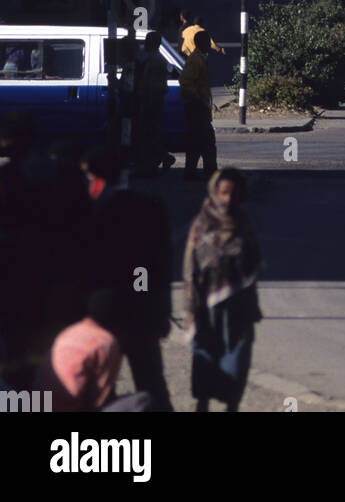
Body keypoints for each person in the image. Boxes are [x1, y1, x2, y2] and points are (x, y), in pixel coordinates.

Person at [80, 149, 174, 411]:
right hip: (143, 310)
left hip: (103, 312)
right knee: (151, 380)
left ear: (94, 178)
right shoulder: (150, 206)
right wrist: (162, 312)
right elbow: (161, 265)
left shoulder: (91, 211)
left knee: (99, 385)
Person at [183, 168, 262, 413]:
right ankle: (202, 405)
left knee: (238, 358)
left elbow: (252, 262)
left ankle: (232, 405)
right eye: (224, 192)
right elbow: (190, 266)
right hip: (207, 305)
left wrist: (253, 302)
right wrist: (190, 306)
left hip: (239, 305)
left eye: (233, 193)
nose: (228, 198)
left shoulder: (242, 221)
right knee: (206, 355)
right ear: (215, 192)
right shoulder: (203, 222)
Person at [134, 30, 175, 176]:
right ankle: (160, 158)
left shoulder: (155, 61)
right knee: (150, 133)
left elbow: (152, 84)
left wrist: (145, 97)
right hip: (153, 100)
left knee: (149, 133)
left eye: (147, 40)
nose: (145, 43)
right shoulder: (153, 59)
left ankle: (157, 161)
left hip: (153, 100)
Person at [179, 31, 217, 180]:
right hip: (196, 106)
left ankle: (193, 171)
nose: (209, 45)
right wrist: (198, 99)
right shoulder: (196, 60)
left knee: (197, 141)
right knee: (206, 140)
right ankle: (209, 171)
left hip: (199, 105)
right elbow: (185, 81)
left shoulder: (199, 58)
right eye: (208, 42)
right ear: (201, 43)